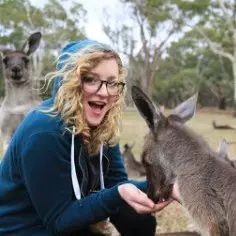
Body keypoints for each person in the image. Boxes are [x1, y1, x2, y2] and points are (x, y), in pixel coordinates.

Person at [0, 39, 179, 235]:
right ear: (69, 82)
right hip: (25, 228)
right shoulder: (44, 133)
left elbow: (116, 185)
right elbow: (58, 220)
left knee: (138, 221)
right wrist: (118, 193)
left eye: (111, 83)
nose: (104, 92)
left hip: (68, 219)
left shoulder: (102, 124)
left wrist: (167, 185)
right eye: (90, 79)